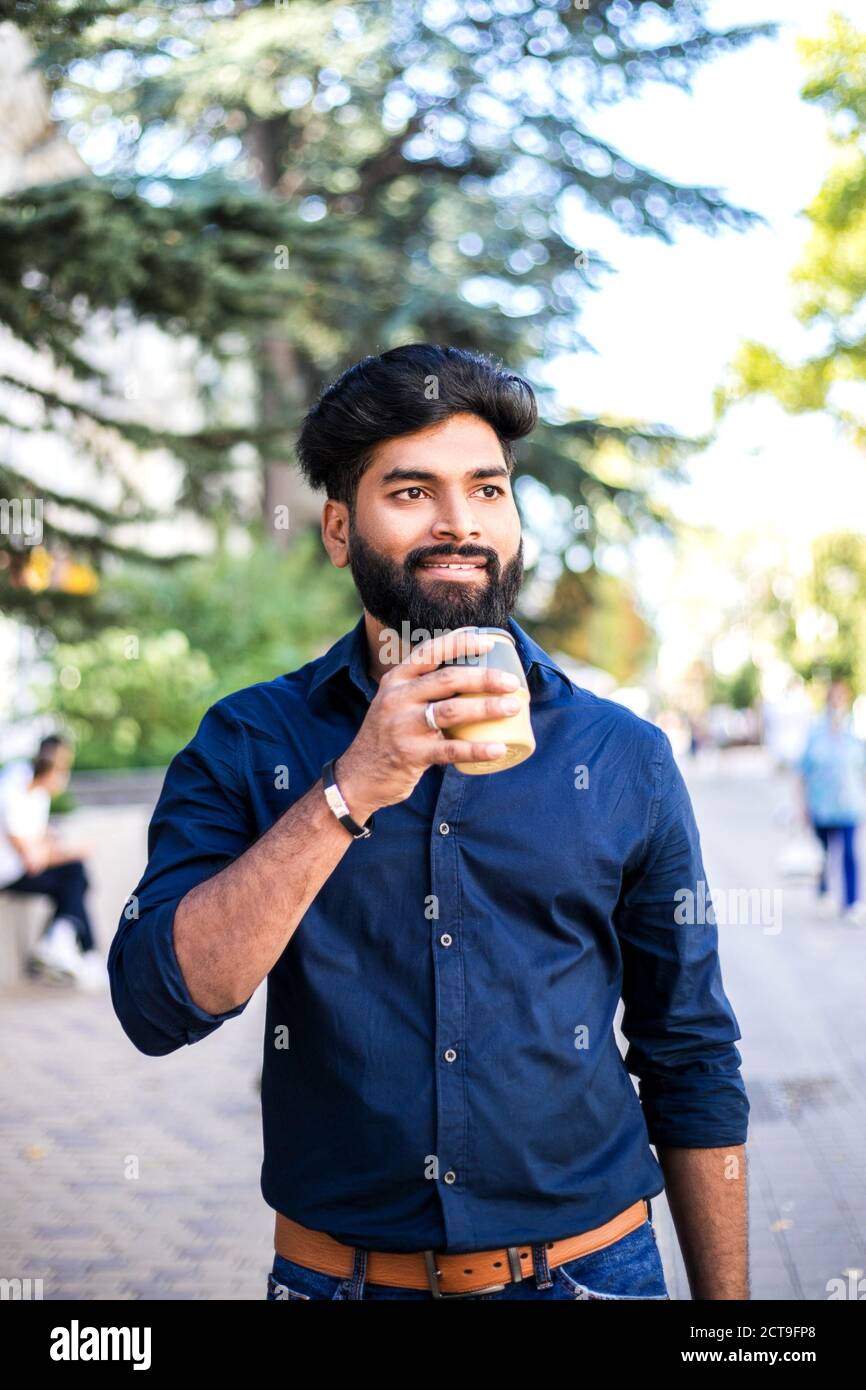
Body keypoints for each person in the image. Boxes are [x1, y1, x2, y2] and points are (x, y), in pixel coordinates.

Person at [109, 344, 750, 1301]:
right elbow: (157, 1005)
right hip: (342, 1283)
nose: (460, 524)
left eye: (488, 490)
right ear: (337, 529)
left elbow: (690, 1050)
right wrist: (351, 787)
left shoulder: (624, 755)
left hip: (595, 1275)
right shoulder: (249, 739)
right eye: (412, 493)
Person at [0, 735, 107, 990]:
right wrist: (73, 851)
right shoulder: (14, 786)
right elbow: (31, 860)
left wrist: (52, 845)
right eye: (64, 769)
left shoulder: (38, 793)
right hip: (8, 873)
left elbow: (39, 839)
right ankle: (77, 949)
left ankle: (62, 941)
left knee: (75, 877)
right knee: (75, 874)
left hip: (21, 867)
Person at [798, 678, 866, 924]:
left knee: (849, 853)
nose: (837, 703)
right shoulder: (816, 733)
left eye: (841, 698)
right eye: (833, 697)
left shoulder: (854, 733)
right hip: (822, 806)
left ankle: (852, 902)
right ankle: (823, 891)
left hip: (849, 805)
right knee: (824, 854)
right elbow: (802, 772)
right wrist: (802, 807)